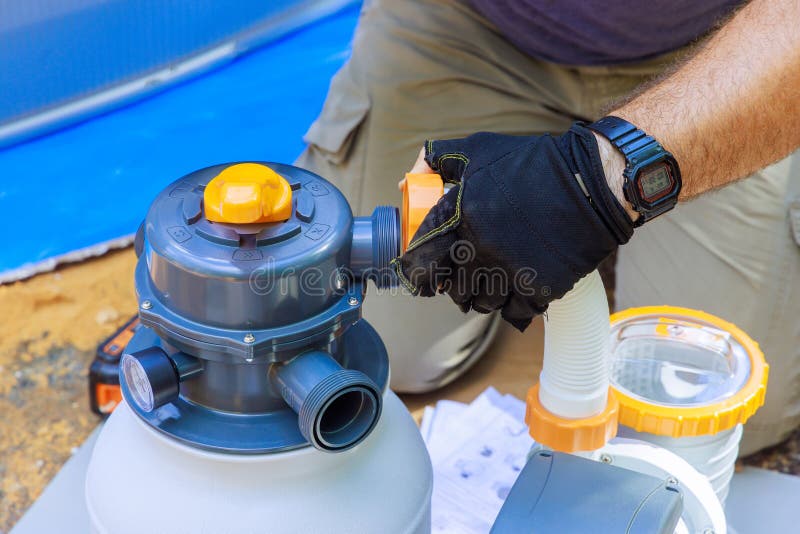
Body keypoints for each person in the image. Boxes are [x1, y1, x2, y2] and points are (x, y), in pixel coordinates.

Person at [296, 0, 800, 454]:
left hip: (722, 41)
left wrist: (594, 179)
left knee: (720, 404)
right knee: (366, 348)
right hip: (474, 28)